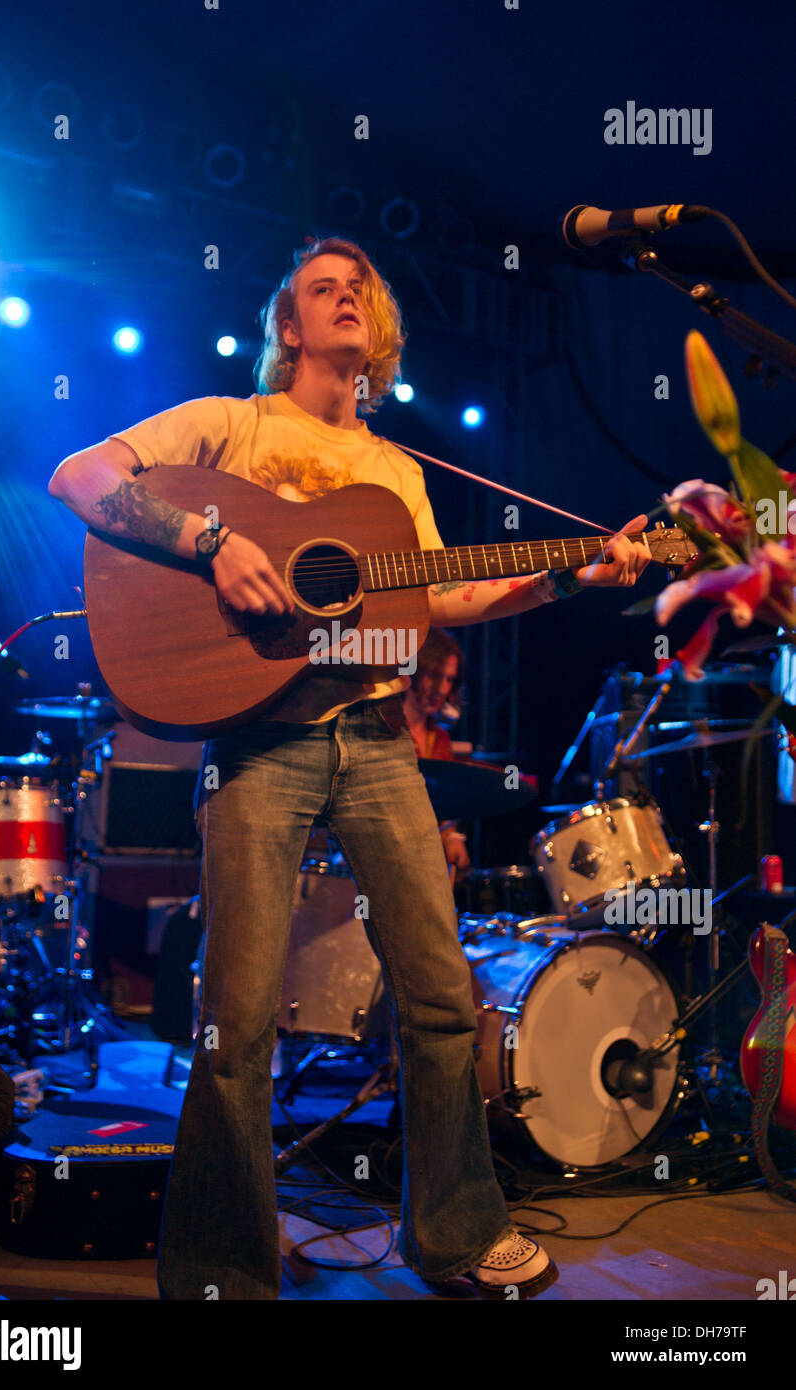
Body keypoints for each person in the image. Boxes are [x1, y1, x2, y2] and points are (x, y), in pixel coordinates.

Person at [48, 235, 650, 1300]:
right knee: (234, 1017)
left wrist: (565, 577)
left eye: (360, 292)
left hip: (376, 742)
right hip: (258, 741)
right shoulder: (228, 423)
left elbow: (445, 598)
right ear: (287, 324)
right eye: (322, 289)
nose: (345, 300)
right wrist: (210, 543)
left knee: (437, 992)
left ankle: (457, 1234)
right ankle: (219, 1270)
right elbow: (80, 475)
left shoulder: (395, 475)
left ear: (379, 335)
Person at [403, 628, 471, 876]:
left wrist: (452, 838)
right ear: (413, 669)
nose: (442, 689)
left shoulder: (440, 739)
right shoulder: (382, 730)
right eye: (435, 676)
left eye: (450, 679)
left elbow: (443, 804)